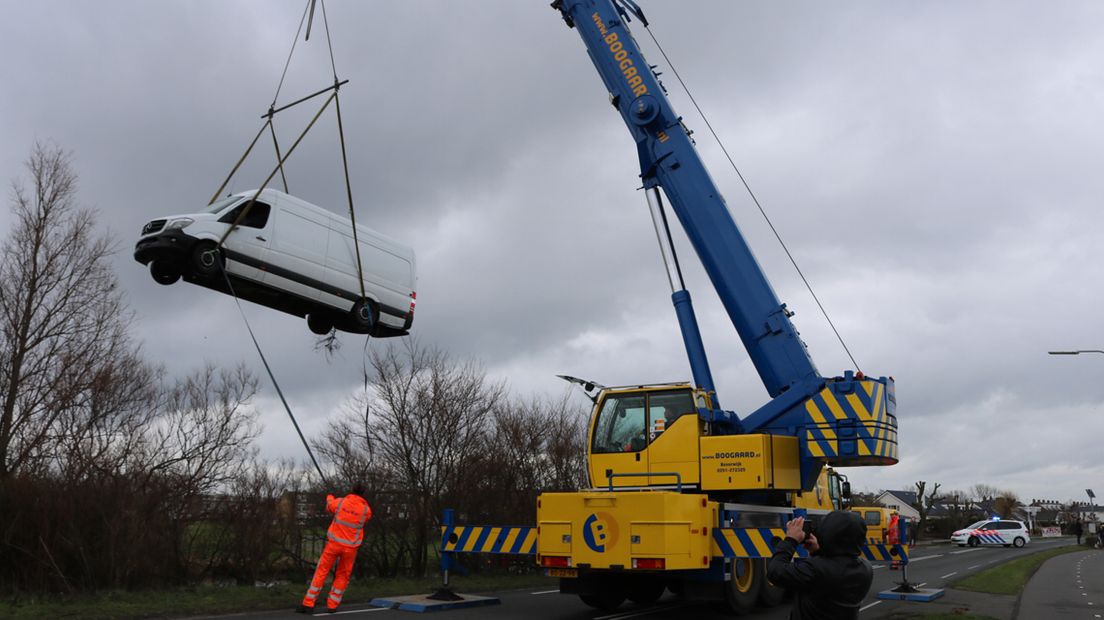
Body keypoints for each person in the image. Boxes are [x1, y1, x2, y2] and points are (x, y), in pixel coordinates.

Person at [767, 511, 874, 619]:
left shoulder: (815, 569)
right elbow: (833, 568)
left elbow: (776, 572)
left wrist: (790, 540)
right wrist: (818, 551)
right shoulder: (866, 568)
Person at [298, 484, 373, 614]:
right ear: (363, 494)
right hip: (351, 548)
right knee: (343, 576)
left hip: (334, 545)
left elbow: (329, 507)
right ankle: (333, 605)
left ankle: (308, 604)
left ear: (351, 490)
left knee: (322, 571)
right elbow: (365, 518)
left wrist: (329, 497)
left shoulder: (340, 502)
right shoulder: (366, 510)